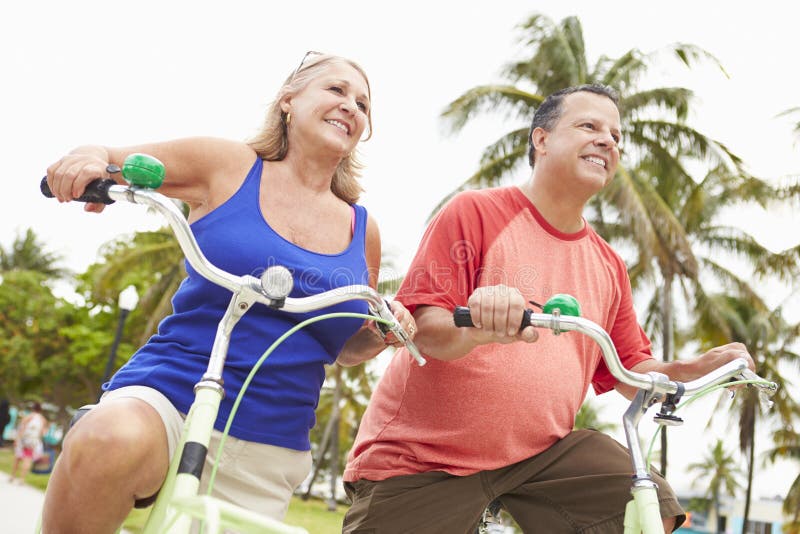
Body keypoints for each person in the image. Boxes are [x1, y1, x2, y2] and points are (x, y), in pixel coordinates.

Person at [341, 84, 756, 533]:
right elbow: (422, 329)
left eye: (616, 136)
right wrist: (479, 329)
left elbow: (632, 371)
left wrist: (696, 369)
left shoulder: (608, 265)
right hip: (425, 458)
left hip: (540, 459)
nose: (608, 141)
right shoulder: (475, 213)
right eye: (589, 126)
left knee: (646, 502)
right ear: (541, 140)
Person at [41, 52, 416, 534]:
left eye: (363, 104)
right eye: (336, 90)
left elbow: (341, 346)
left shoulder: (362, 230)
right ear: (288, 100)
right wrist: (89, 162)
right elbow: (112, 157)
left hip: (271, 441)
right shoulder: (229, 165)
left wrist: (380, 335)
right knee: (107, 438)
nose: (351, 106)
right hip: (172, 394)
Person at [9, 402, 49, 484]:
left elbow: (21, 428)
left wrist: (17, 439)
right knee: (28, 459)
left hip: (24, 439)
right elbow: (43, 433)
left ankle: (12, 476)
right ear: (40, 410)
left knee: (18, 458)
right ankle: (22, 479)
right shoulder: (43, 419)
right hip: (33, 441)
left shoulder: (28, 417)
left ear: (32, 408)